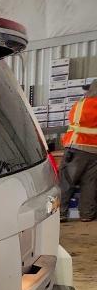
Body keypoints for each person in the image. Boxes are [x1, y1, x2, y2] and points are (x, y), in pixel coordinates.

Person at [59, 80, 97, 222]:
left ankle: (60, 214)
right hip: (94, 152)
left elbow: (72, 120)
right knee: (90, 184)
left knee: (67, 181)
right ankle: (87, 215)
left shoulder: (81, 104)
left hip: (76, 149)